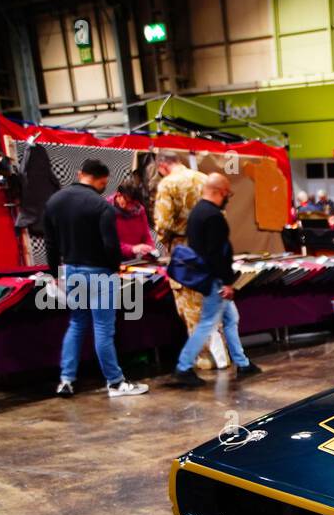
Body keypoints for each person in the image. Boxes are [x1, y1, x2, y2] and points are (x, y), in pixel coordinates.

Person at [45, 158, 148, 399]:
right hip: (100, 273)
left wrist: (53, 274)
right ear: (103, 180)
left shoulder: (54, 201)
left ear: (81, 173)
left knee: (77, 324)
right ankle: (115, 382)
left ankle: (66, 380)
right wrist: (115, 269)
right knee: (103, 328)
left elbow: (50, 243)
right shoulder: (102, 207)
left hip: (71, 271)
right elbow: (110, 245)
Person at [170, 173, 262, 386]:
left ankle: (242, 363)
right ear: (220, 191)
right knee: (208, 323)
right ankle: (183, 367)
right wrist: (226, 282)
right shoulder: (214, 217)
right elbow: (217, 253)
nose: (228, 197)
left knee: (231, 319)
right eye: (227, 193)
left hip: (207, 277)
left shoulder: (196, 213)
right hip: (216, 281)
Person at [153, 151, 212, 368]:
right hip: (208, 250)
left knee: (191, 309)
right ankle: (222, 355)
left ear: (162, 166)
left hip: (183, 253)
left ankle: (205, 359)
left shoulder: (167, 185)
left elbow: (163, 223)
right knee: (211, 305)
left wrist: (165, 241)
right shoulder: (204, 179)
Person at [108, 174, 155, 261]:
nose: (131, 207)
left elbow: (146, 235)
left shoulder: (139, 209)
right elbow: (108, 242)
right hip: (109, 261)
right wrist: (132, 249)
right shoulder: (106, 209)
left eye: (135, 203)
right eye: (129, 202)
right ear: (119, 195)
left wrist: (149, 249)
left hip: (130, 261)